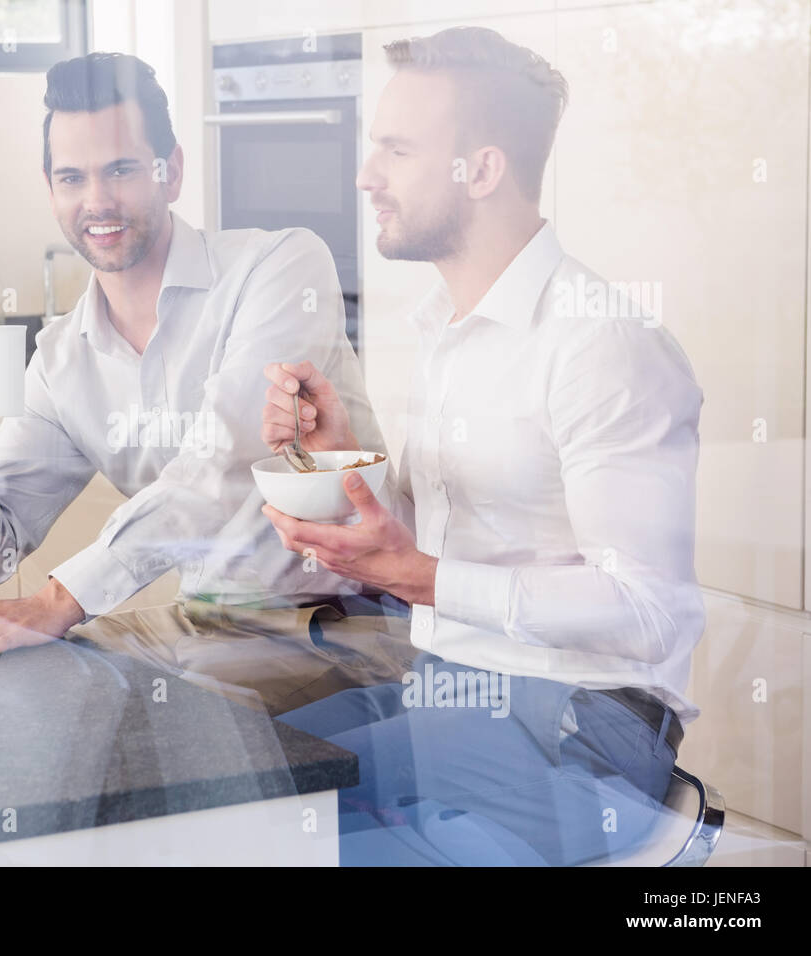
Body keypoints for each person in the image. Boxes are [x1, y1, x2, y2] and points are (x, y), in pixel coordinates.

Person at [262, 26, 705, 864]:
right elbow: (440, 547)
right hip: (451, 689)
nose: (367, 177)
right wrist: (344, 462)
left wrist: (422, 577)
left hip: (579, 723)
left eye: (396, 150)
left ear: (483, 169)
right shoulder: (446, 329)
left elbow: (653, 613)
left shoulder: (601, 347)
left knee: (292, 841)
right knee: (237, 789)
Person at [0, 53, 413, 715]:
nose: (97, 201)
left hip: (342, 624)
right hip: (201, 625)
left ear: (170, 171)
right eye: (72, 177)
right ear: (51, 188)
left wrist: (59, 601)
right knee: (11, 692)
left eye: (120, 169)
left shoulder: (279, 266)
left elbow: (222, 462)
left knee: (146, 725)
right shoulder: (63, 359)